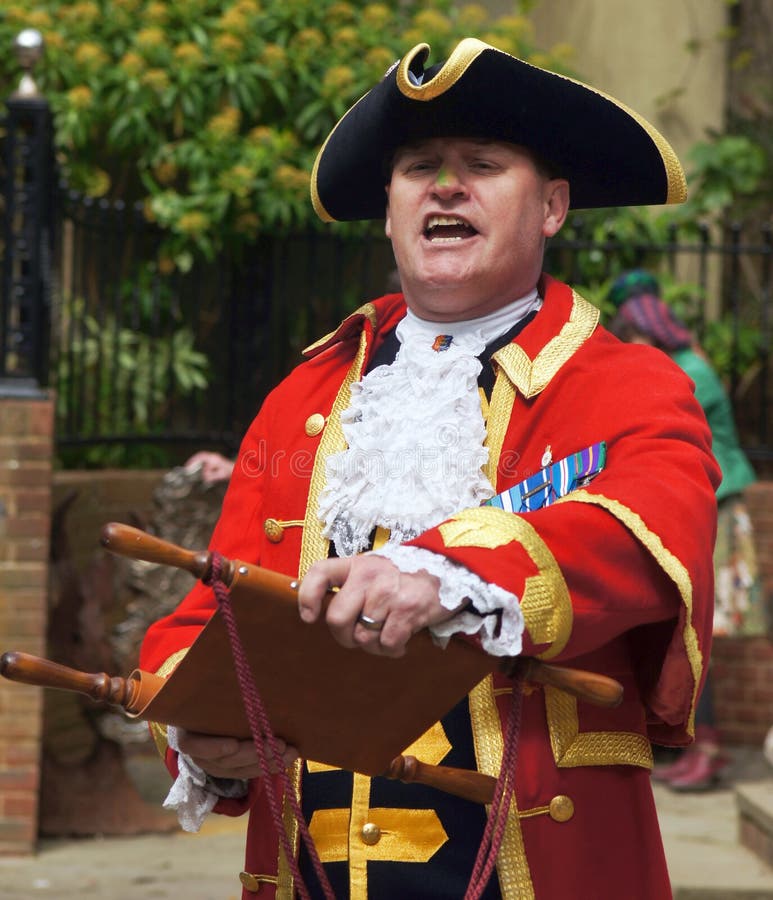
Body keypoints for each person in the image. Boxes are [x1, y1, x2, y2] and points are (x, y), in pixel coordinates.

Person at [140, 38, 720, 900]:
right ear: (389, 209)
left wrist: (448, 573)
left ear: (552, 206)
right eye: (418, 168)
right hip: (312, 869)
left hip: (530, 867)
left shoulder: (623, 384)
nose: (445, 186)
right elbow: (211, 609)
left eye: (481, 164)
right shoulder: (303, 398)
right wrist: (195, 731)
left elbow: (650, 528)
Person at [608, 275, 765, 790]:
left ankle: (710, 750)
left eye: (632, 333)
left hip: (717, 511)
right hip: (701, 509)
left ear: (647, 327)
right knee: (691, 629)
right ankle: (697, 746)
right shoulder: (687, 362)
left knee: (703, 629)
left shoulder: (685, 370)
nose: (630, 343)